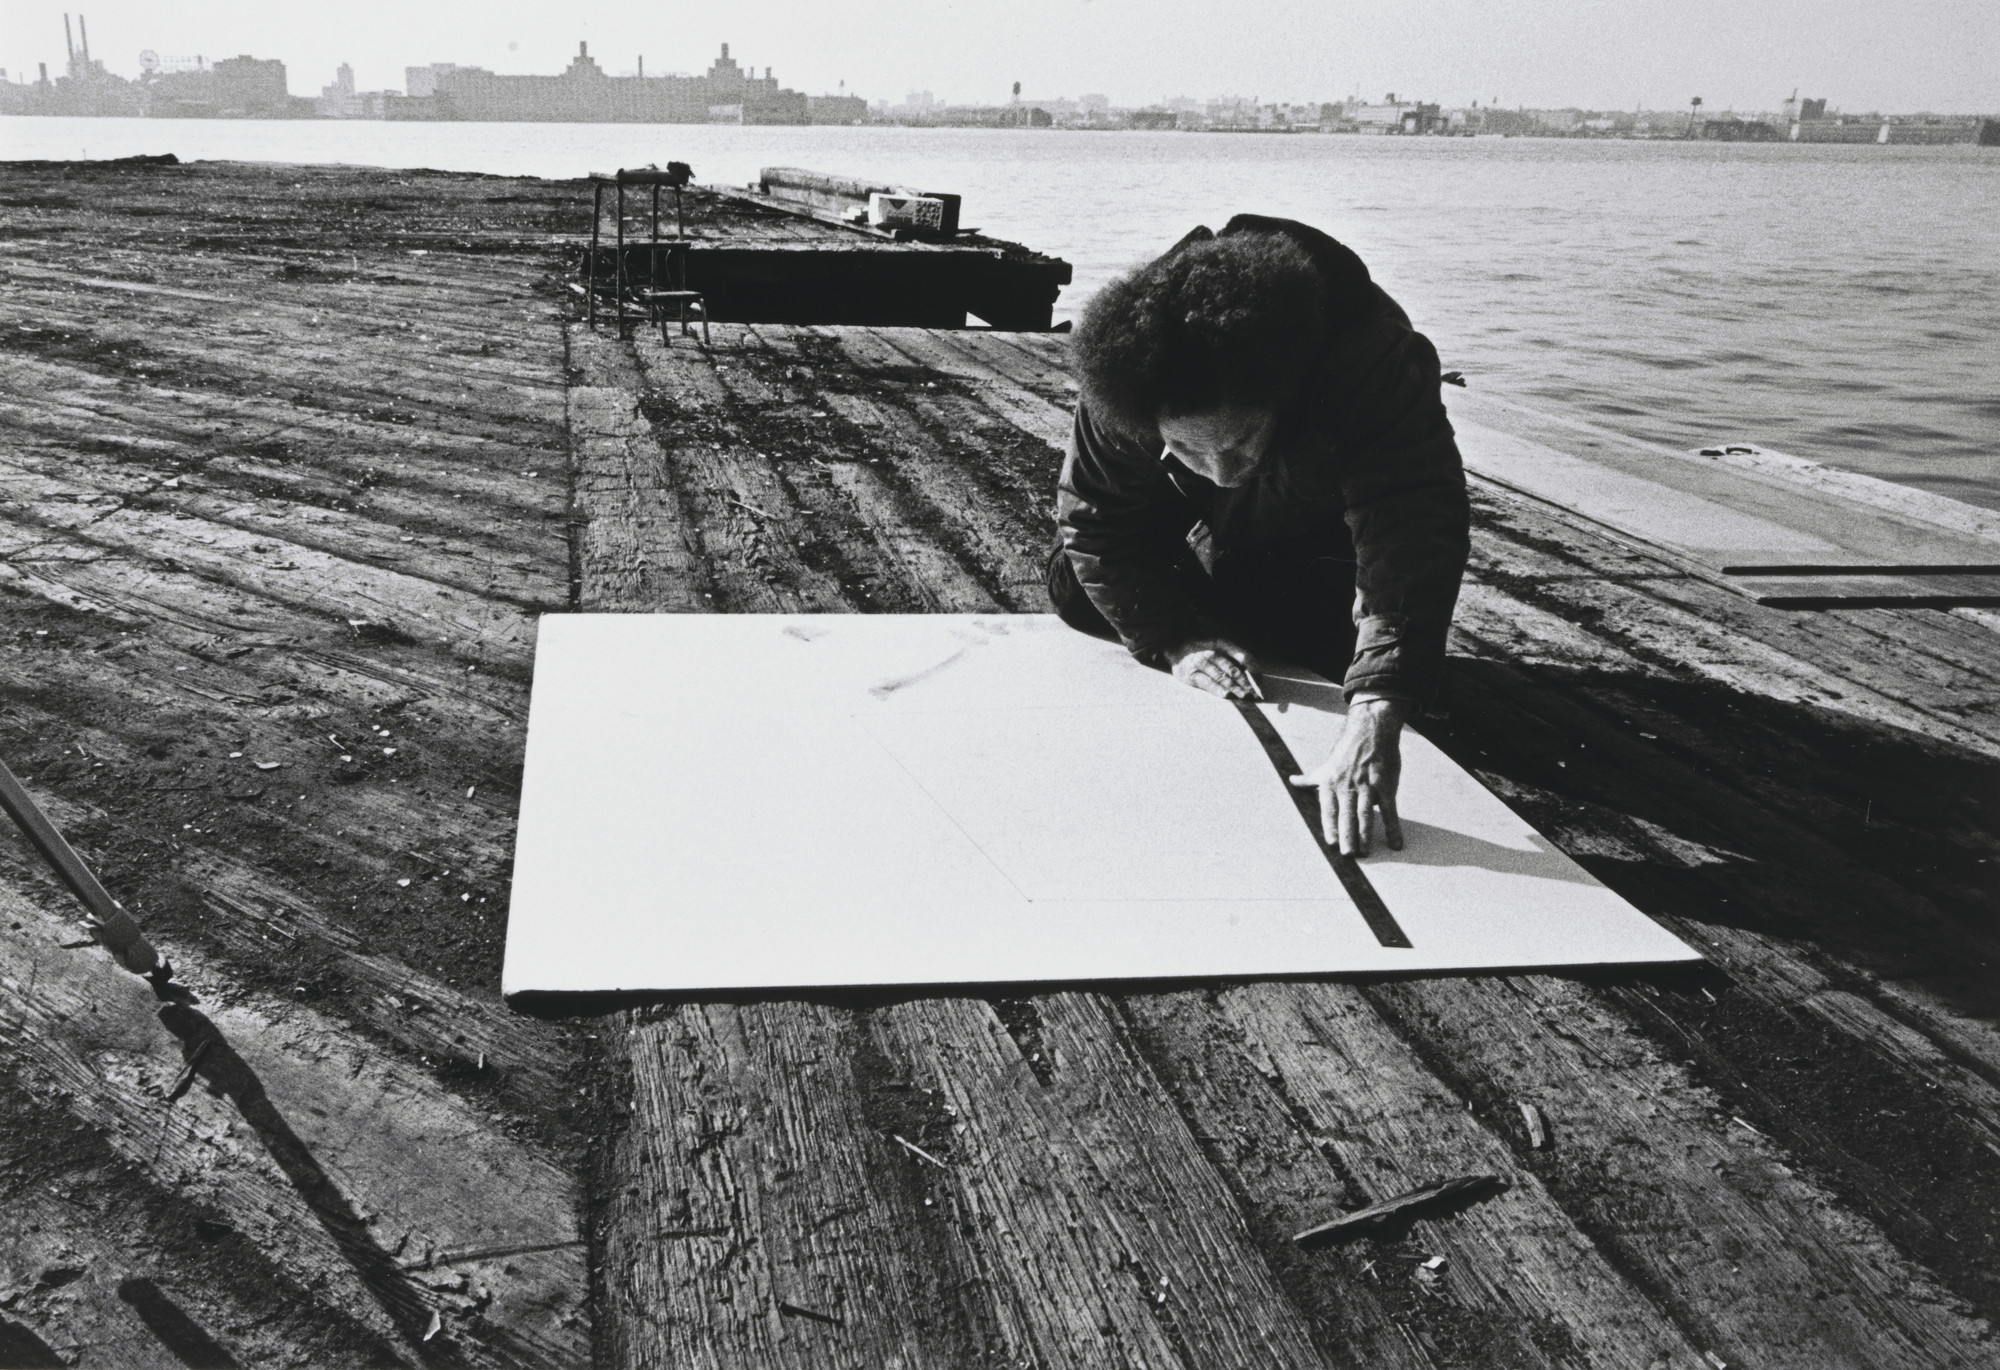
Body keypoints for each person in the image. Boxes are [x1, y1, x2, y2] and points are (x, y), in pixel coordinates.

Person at [1048, 214, 1469, 858]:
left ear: (1282, 396)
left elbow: (1409, 529)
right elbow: (1095, 519)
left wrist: (1377, 707)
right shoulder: (1130, 373)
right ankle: (1215, 576)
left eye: (1238, 439)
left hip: (1310, 480)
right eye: (1191, 445)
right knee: (1078, 591)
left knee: (1313, 639)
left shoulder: (1369, 367)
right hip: (1181, 475)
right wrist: (1175, 639)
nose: (1222, 472)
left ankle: (1250, 568)